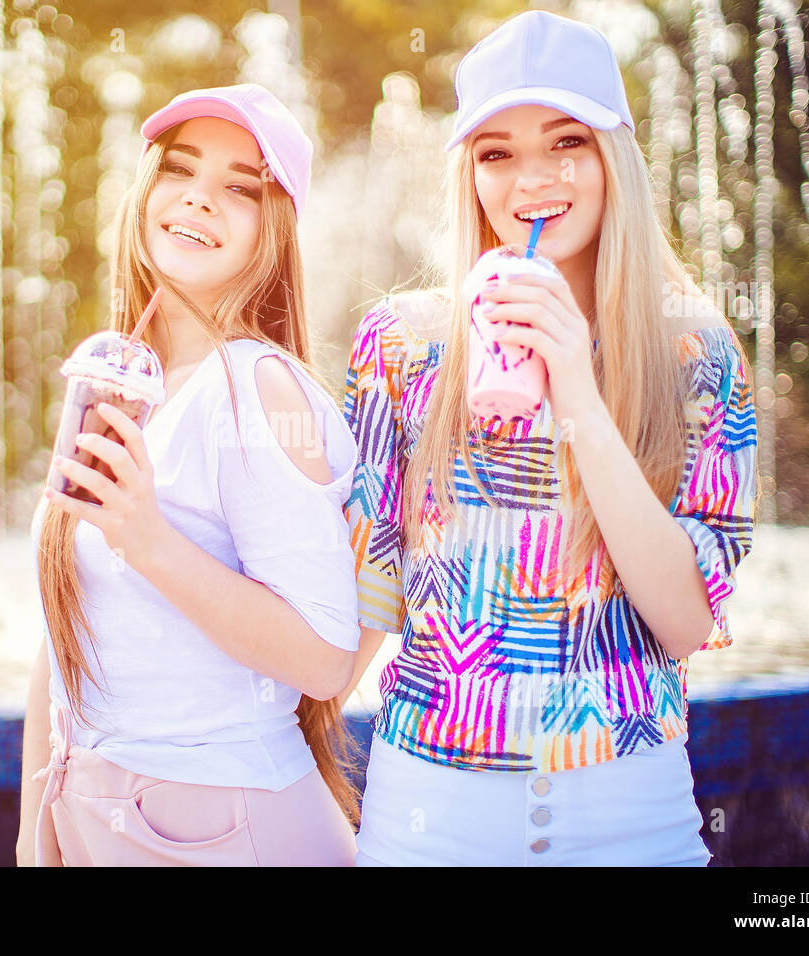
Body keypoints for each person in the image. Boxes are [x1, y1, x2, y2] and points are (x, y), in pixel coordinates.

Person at [341, 10, 758, 866]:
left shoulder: (693, 349)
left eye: (566, 141)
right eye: (496, 152)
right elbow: (367, 598)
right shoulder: (402, 343)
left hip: (632, 811)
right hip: (430, 816)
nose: (532, 179)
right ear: (471, 175)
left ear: (616, 159)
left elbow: (682, 622)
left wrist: (576, 386)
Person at [16, 84, 362, 866]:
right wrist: (35, 825)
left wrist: (149, 541)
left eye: (241, 188)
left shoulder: (259, 389)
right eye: (180, 171)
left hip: (224, 831)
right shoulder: (118, 380)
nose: (200, 200)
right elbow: (59, 624)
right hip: (87, 813)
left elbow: (322, 658)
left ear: (272, 233)